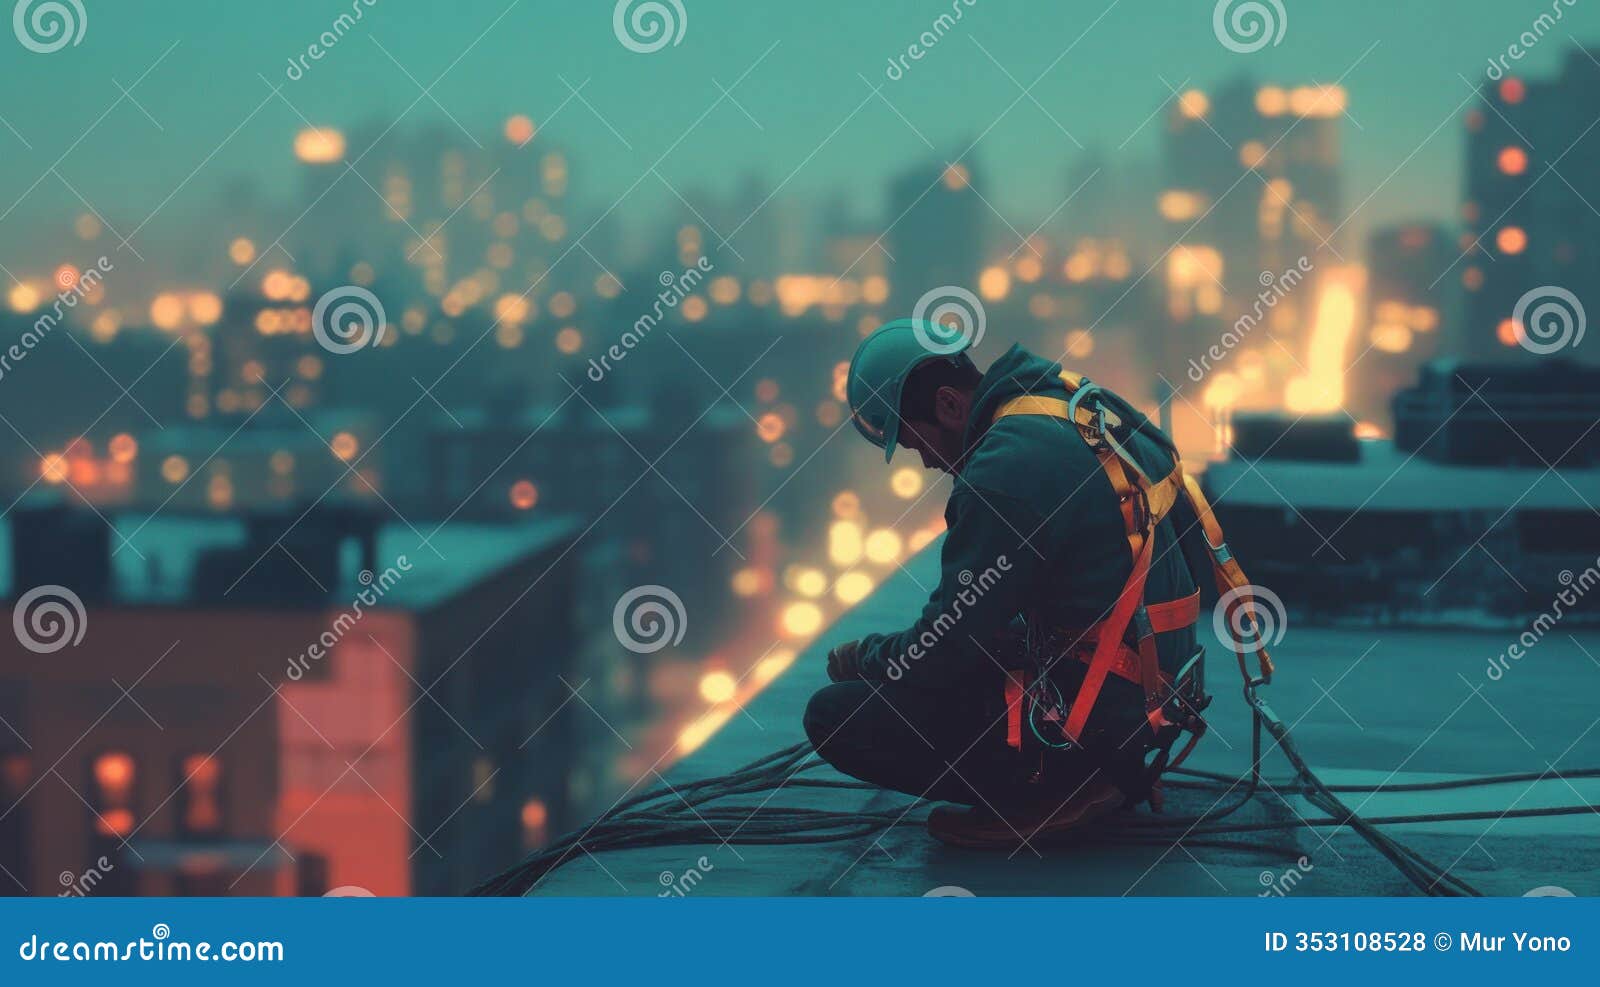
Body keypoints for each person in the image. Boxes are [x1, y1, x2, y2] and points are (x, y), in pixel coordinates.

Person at [804, 319, 1201, 848]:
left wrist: (868, 658)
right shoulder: (1077, 405)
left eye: (916, 441)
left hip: (1094, 723)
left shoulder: (1001, 471)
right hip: (1156, 705)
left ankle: (1053, 789)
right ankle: (1107, 770)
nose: (923, 461)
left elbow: (941, 649)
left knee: (836, 714)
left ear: (948, 405)